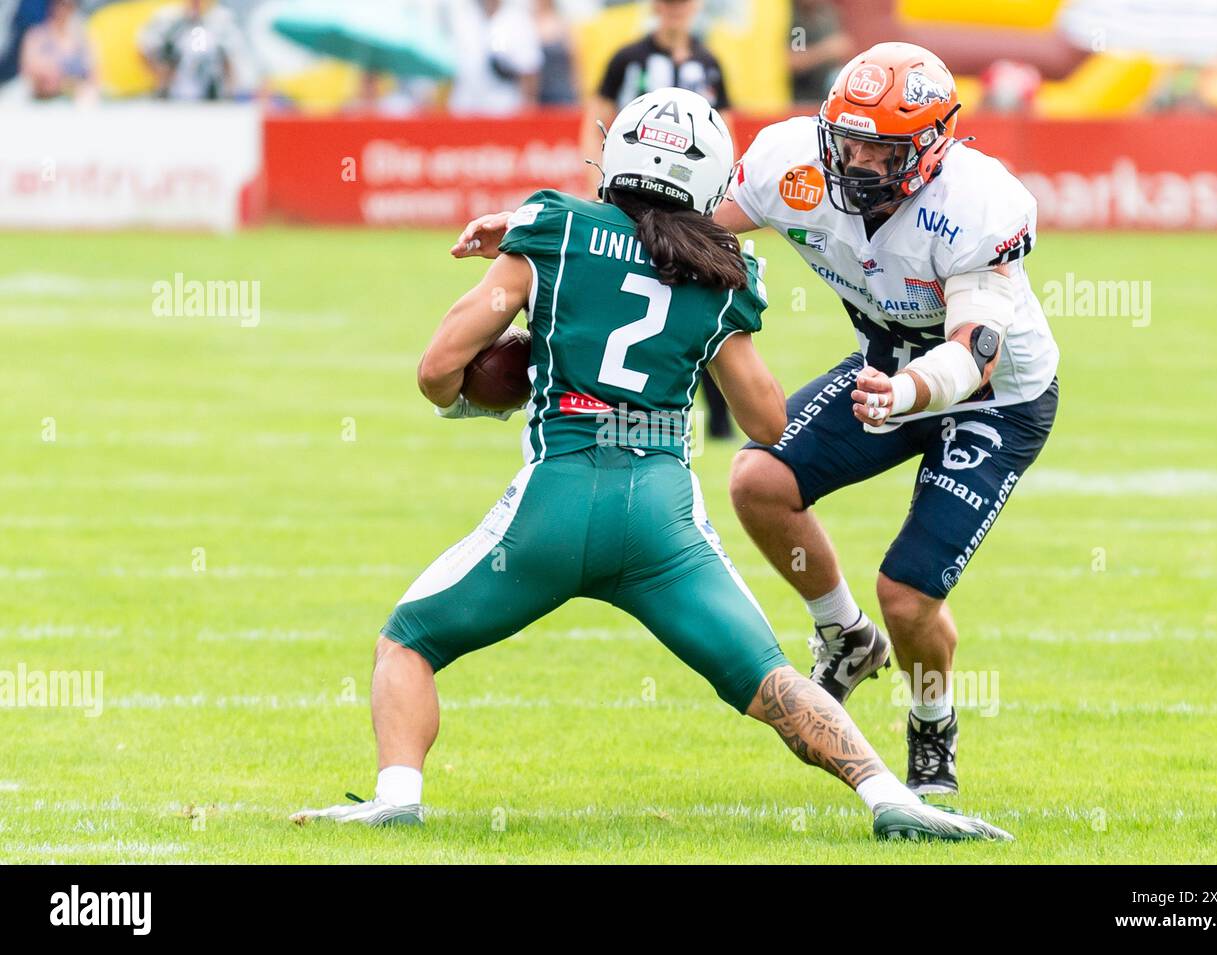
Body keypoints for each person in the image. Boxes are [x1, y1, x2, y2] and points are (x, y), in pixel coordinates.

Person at [292, 88, 1011, 843]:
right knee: (771, 679)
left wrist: (492, 389)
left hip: (554, 500)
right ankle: (889, 794)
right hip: (661, 518)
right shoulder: (722, 269)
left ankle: (397, 795)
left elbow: (438, 366)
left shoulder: (551, 225)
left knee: (410, 640)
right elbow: (768, 422)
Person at [455, 42, 1060, 798]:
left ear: (934, 144)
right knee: (759, 476)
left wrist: (904, 394)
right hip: (883, 364)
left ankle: (932, 725)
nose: (859, 161)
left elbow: (977, 351)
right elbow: (665, 222)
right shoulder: (793, 164)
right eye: (849, 139)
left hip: (989, 395)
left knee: (907, 594)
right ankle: (844, 636)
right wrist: (529, 225)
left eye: (882, 146)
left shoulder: (979, 204)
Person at [585, 0, 735, 439]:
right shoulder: (627, 58)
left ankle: (719, 421)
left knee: (699, 292)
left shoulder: (708, 63)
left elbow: (724, 131)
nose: (674, 11)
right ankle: (612, 401)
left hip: (686, 200)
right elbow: (596, 114)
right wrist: (594, 169)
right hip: (631, 193)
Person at [447, 0, 542, 115]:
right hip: (465, 109)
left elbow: (529, 71)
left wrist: (528, 111)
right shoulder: (462, 16)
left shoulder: (518, 20)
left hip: (505, 110)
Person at [138, 0, 247, 101]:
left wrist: (230, 93)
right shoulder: (168, 19)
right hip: (174, 96)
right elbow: (144, 47)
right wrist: (161, 75)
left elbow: (229, 59)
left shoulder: (222, 20)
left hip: (211, 97)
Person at [19, 0, 95, 102]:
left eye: (69, 5)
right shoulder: (37, 35)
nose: (63, 9)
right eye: (59, 3)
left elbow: (94, 73)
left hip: (77, 103)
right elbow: (29, 70)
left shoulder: (83, 36)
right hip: (43, 101)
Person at [788, 0, 852, 106]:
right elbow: (793, 62)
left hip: (827, 89)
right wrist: (826, 50)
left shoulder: (827, 12)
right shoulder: (794, 17)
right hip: (802, 95)